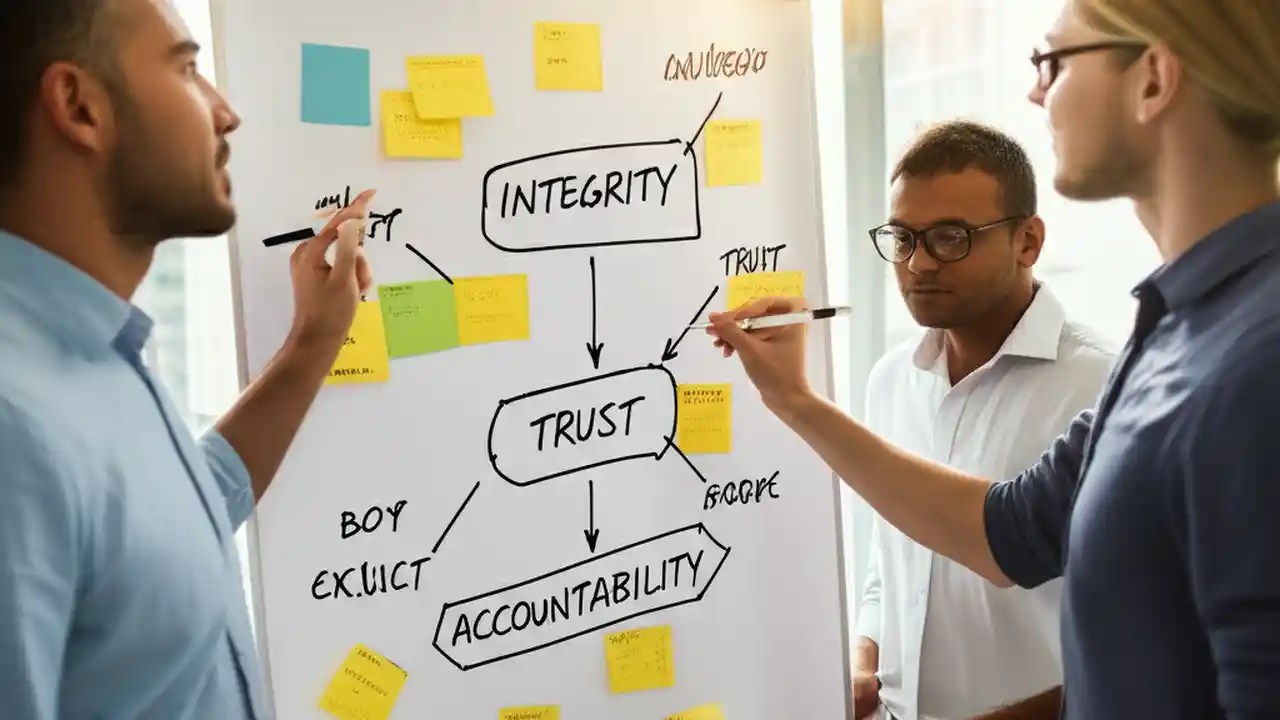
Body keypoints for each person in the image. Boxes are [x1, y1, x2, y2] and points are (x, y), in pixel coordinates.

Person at [708, 0, 1280, 718]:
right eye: (903, 238)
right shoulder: (1170, 335)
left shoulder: (1255, 353)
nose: (1037, 92)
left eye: (1055, 62)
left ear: (1155, 78)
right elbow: (1012, 532)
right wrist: (794, 399)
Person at [0, 0, 373, 717]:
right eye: (188, 69)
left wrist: (314, 343)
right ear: (80, 106)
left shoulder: (98, 357)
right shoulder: (16, 423)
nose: (225, 112)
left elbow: (178, 514)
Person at [851, 121, 1114, 720]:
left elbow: (1139, 630)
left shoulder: (1102, 386)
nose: (918, 263)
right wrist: (864, 656)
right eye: (902, 237)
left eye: (950, 237)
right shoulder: (890, 381)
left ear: (1028, 241)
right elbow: (887, 569)